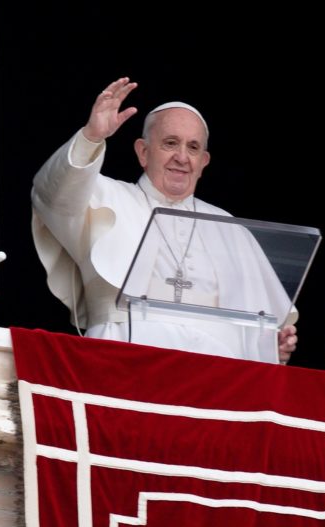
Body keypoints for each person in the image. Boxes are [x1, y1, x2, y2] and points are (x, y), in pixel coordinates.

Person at [31, 77, 298, 364]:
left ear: (203, 162)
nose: (182, 157)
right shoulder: (105, 195)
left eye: (193, 147)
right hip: (123, 359)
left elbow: (255, 323)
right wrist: (91, 137)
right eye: (170, 143)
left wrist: (271, 346)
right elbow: (53, 196)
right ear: (143, 152)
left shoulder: (228, 227)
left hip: (215, 375)